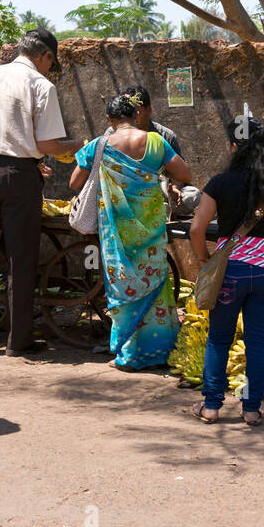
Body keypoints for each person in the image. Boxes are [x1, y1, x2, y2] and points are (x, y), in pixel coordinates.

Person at [0, 28, 82, 358]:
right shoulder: (41, 85)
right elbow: (47, 144)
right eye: (51, 63)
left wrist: (25, 153)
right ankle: (18, 342)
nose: (50, 69)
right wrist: (76, 145)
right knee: (21, 257)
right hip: (16, 175)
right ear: (45, 57)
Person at [71, 93, 191, 371]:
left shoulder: (98, 145)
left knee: (122, 285)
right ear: (136, 115)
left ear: (109, 119)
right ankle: (159, 351)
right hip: (150, 229)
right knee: (155, 283)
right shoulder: (155, 141)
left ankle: (127, 354)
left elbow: (75, 181)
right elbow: (185, 174)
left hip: (117, 232)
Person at [188, 117, 264, 425]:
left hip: (229, 273)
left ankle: (211, 406)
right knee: (258, 341)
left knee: (219, 338)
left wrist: (205, 260)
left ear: (233, 147)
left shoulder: (219, 183)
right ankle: (251, 409)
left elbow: (197, 228)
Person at [100, 85, 201, 216]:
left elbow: (182, 173)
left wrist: (175, 187)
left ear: (149, 110)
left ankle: (165, 210)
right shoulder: (110, 135)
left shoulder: (164, 135)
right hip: (126, 191)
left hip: (161, 189)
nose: (134, 116)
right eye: (129, 111)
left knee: (192, 195)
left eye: (137, 111)